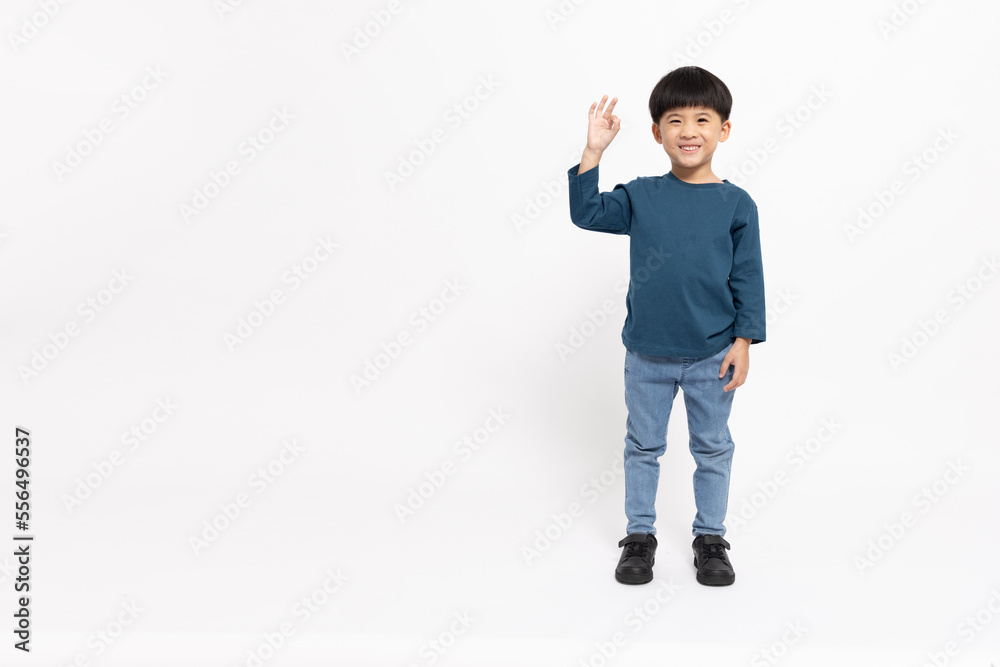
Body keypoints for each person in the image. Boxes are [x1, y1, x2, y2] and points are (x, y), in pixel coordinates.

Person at [566, 66, 766, 586]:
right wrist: (594, 153)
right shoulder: (641, 195)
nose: (688, 130)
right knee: (643, 446)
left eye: (702, 118)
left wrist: (744, 341)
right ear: (657, 133)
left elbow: (748, 278)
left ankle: (711, 538)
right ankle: (639, 535)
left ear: (724, 129)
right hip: (647, 356)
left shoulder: (737, 204)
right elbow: (587, 213)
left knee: (713, 448)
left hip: (712, 355)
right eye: (674, 120)